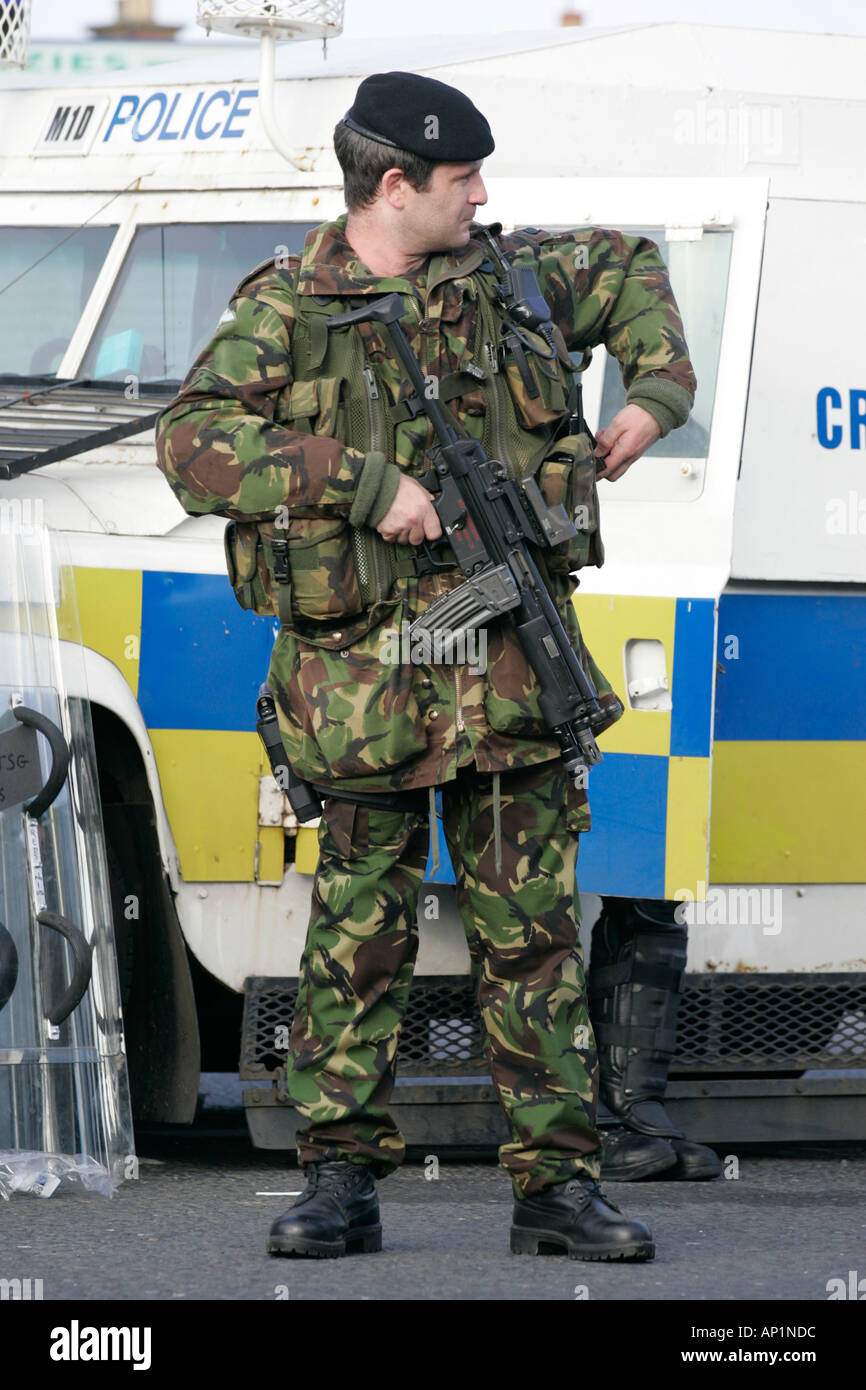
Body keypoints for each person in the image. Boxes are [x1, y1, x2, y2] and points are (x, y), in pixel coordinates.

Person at [155, 70, 698, 1262]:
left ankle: (555, 1189)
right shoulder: (287, 307)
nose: (482, 196)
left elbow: (632, 269)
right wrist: (363, 485)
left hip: (511, 685)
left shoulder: (514, 279)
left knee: (534, 944)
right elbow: (191, 444)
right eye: (462, 179)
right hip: (362, 695)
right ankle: (338, 1184)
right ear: (393, 185)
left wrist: (655, 393)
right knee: (356, 946)